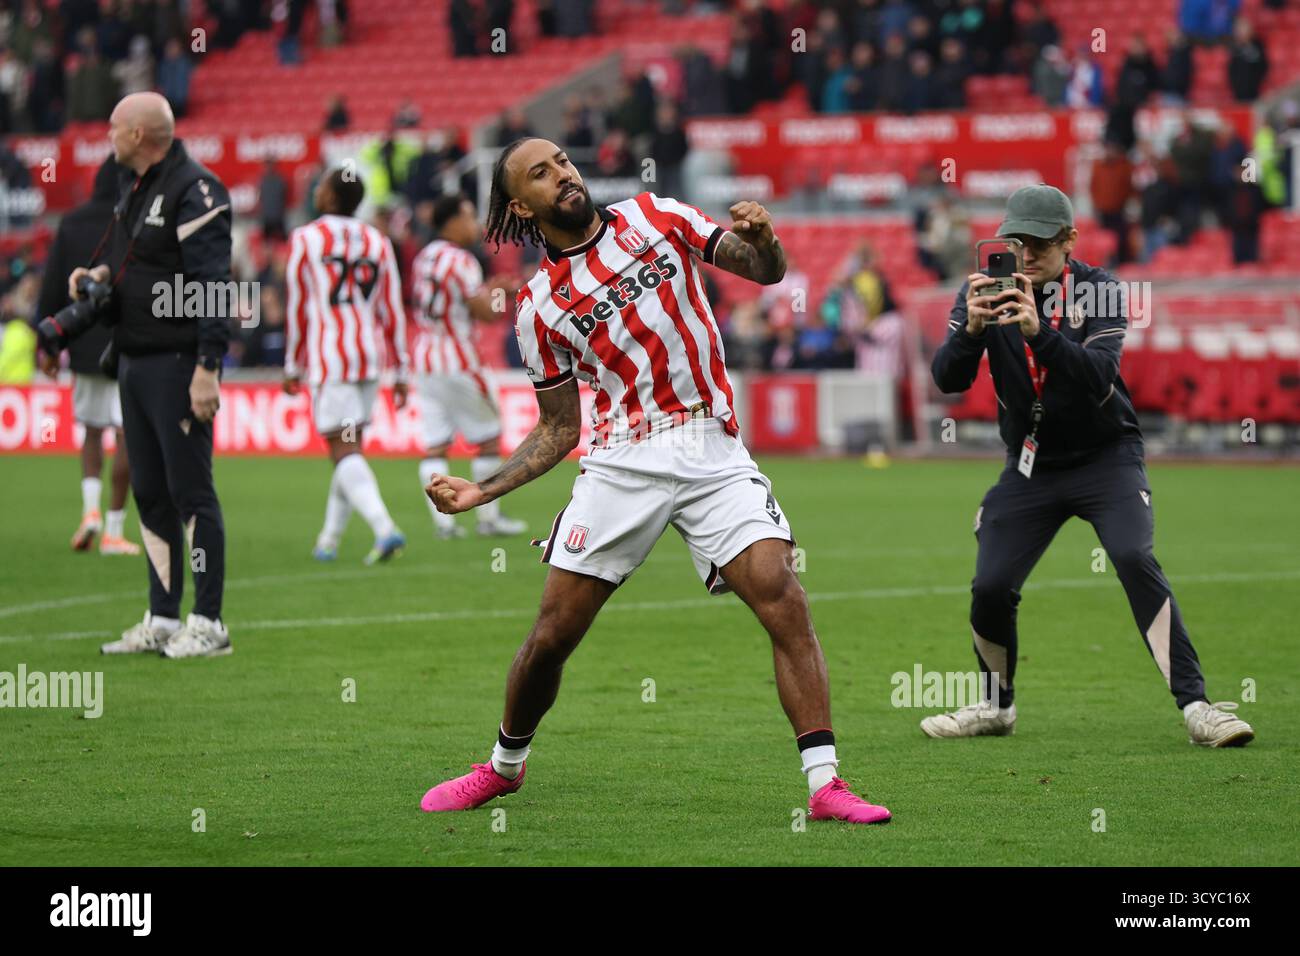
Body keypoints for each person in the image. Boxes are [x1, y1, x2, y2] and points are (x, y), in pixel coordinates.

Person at [418, 138, 892, 824]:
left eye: (563, 161)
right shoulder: (540, 307)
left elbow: (758, 269)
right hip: (619, 460)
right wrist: (481, 490)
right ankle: (502, 767)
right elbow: (558, 428)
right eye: (542, 174)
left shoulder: (655, 214)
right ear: (522, 206)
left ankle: (825, 785)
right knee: (554, 635)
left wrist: (765, 241)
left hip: (709, 445)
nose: (564, 175)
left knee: (782, 594)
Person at [925, 184, 1255, 748]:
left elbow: (1097, 374)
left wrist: (1038, 330)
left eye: (1039, 244)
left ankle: (1198, 706)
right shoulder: (982, 290)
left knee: (1131, 556)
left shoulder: (1100, 291)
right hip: (1031, 464)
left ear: (1069, 241)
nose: (1025, 255)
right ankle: (996, 706)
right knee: (991, 582)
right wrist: (973, 331)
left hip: (1106, 457)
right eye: (1016, 241)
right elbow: (947, 379)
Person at [73, 93, 233, 659]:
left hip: (179, 363)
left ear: (140, 134)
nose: (108, 135)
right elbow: (137, 265)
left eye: (114, 127)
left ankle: (209, 621)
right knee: (149, 494)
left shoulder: (197, 189)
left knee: (192, 494)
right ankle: (164, 616)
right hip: (135, 361)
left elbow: (216, 284)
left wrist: (209, 367)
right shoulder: (134, 185)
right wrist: (98, 276)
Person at [283, 166, 410, 565]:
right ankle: (329, 540)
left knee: (343, 450)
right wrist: (401, 369)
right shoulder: (377, 239)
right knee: (348, 449)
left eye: (321, 185)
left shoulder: (306, 238)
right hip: (368, 357)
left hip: (330, 356)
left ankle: (385, 529)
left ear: (330, 197)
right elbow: (393, 308)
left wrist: (292, 362)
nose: (316, 191)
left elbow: (299, 305)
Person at [34, 158, 141, 556]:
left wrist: (48, 341)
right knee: (125, 432)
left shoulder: (72, 222)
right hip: (124, 340)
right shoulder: (130, 219)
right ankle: (114, 528)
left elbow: (52, 284)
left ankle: (90, 511)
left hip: (81, 342)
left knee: (92, 431)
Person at [410, 193, 526, 540]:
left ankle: (443, 524)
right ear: (451, 222)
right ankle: (488, 520)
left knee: (436, 445)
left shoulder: (423, 258)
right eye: (468, 216)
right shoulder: (460, 260)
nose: (475, 225)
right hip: (458, 358)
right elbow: (485, 311)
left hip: (425, 356)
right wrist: (500, 292)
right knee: (489, 438)